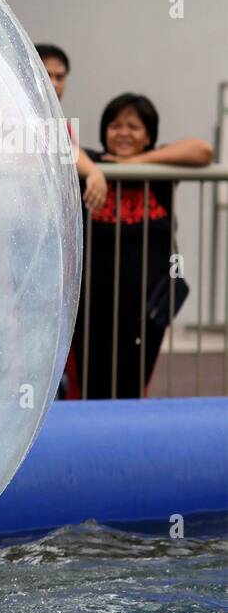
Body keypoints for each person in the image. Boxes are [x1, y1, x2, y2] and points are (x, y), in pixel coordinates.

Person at [67, 93, 212, 399]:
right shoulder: (91, 166)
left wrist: (136, 163)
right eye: (115, 125)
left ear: (149, 135)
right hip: (90, 308)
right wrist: (95, 171)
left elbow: (203, 150)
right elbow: (59, 147)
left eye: (133, 127)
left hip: (146, 310)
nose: (123, 133)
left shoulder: (158, 172)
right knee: (88, 391)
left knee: (133, 388)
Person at [35, 43, 106, 213]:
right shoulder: (10, 115)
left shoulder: (61, 123)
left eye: (59, 77)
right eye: (45, 75)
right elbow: (64, 148)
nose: (53, 83)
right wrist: (93, 170)